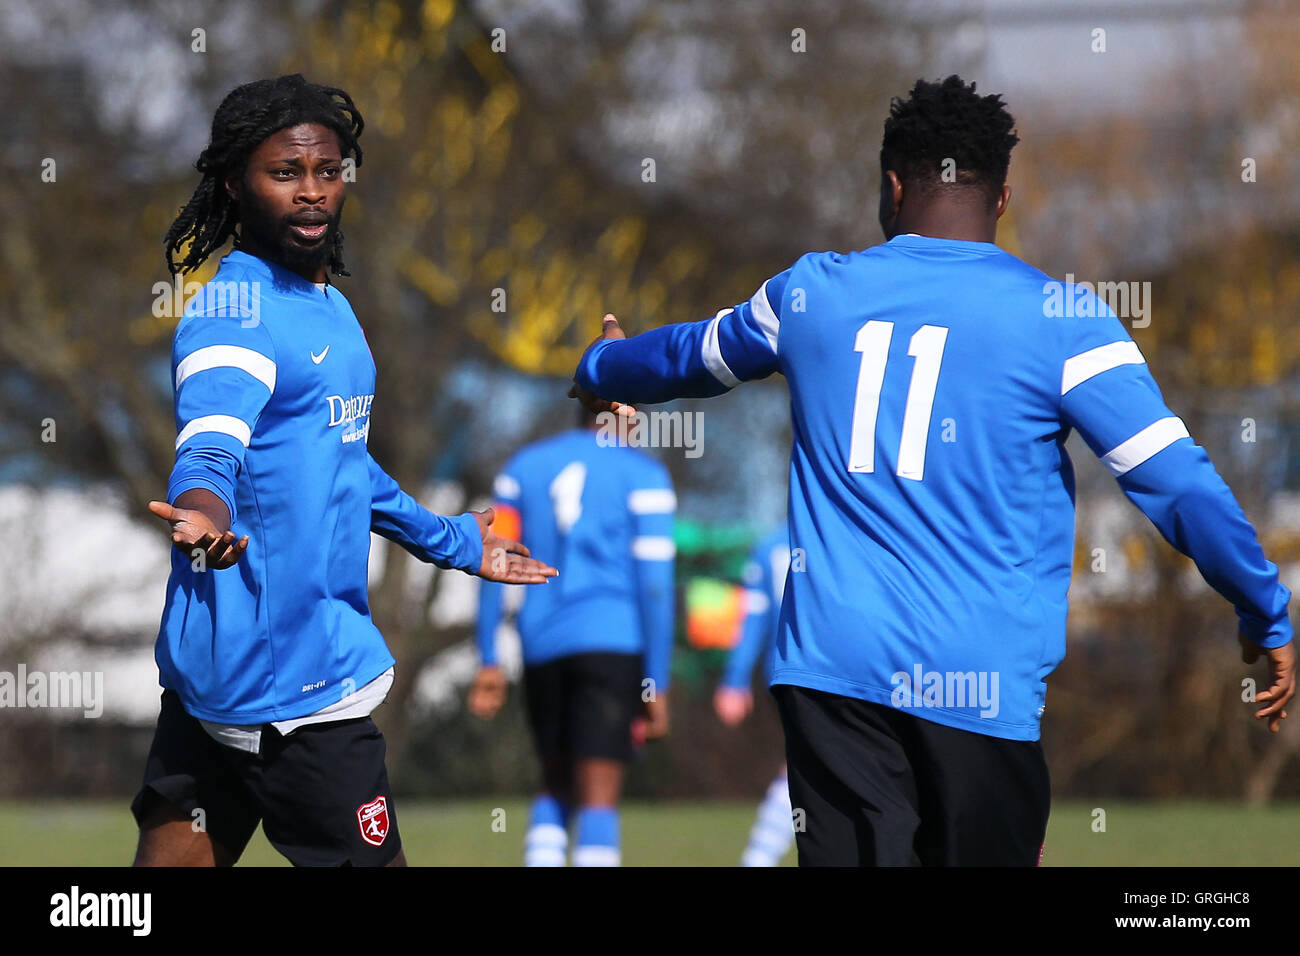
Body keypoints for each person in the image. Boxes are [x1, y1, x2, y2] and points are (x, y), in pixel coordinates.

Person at [569, 75, 1296, 866]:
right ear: (1003, 197)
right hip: (979, 685)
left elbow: (687, 355)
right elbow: (1177, 482)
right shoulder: (1065, 320)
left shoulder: (809, 294)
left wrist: (603, 364)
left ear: (891, 186)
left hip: (835, 676)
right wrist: (1263, 607)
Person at [134, 74, 556, 868]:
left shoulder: (325, 300)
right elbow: (210, 446)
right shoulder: (233, 315)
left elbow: (341, 462)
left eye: (327, 171)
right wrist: (205, 512)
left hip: (215, 674)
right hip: (296, 694)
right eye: (285, 173)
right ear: (235, 183)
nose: (313, 191)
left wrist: (452, 540)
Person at [468, 407, 676, 866]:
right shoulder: (644, 475)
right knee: (599, 792)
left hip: (542, 645)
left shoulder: (522, 468)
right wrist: (656, 681)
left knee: (555, 780)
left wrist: (488, 658)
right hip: (612, 643)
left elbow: (492, 563)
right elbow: (656, 587)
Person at [714, 526, 795, 867]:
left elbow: (751, 619)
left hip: (783, 674)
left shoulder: (769, 546)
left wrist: (734, 680)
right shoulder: (848, 533)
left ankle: (757, 858)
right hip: (838, 673)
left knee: (801, 765)